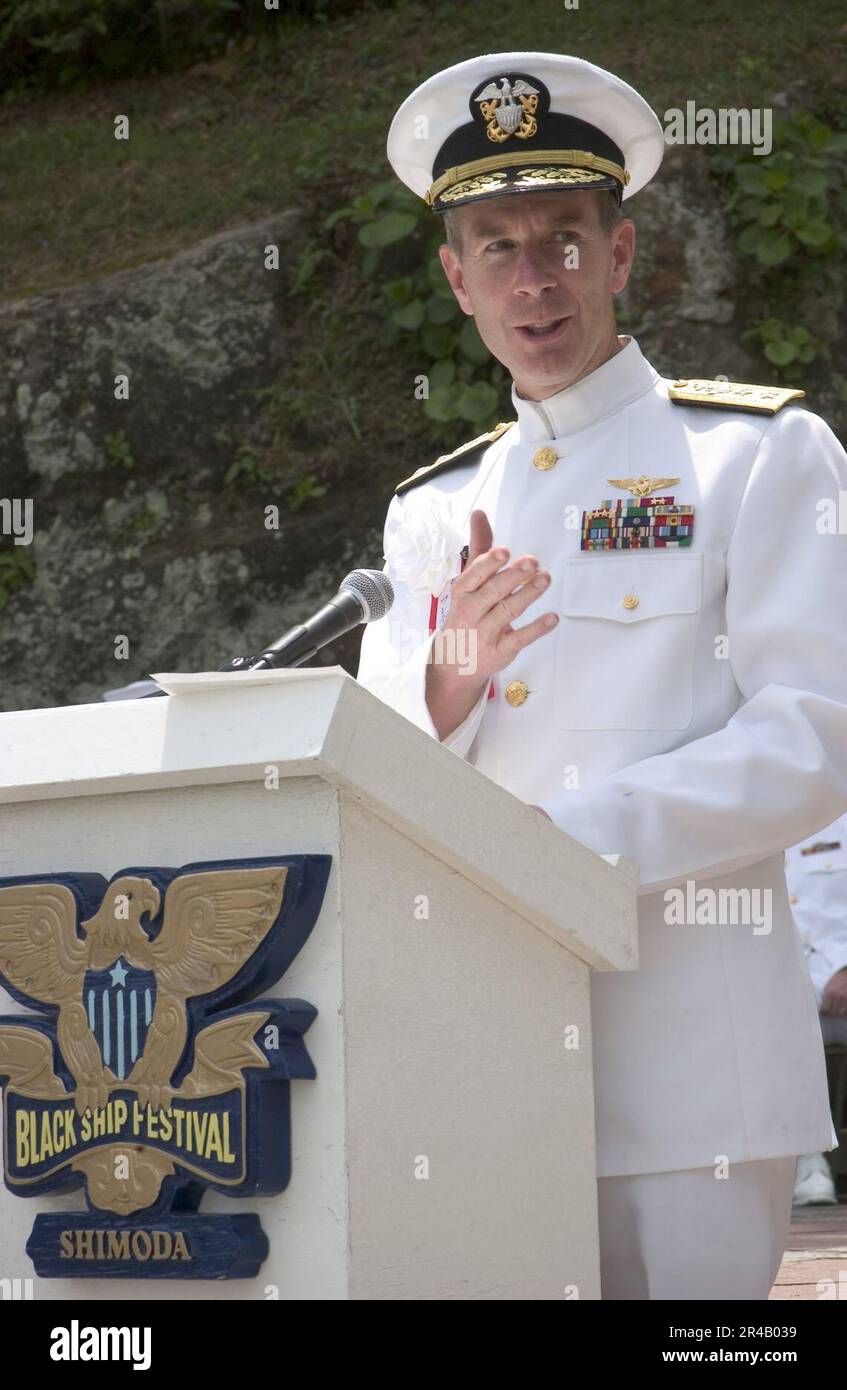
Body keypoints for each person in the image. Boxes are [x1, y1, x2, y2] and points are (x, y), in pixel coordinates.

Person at [356, 50, 847, 1299]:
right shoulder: (432, 512)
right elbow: (368, 782)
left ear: (618, 256)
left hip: (691, 1064)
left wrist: (566, 844)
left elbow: (815, 736)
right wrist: (450, 671)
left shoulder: (755, 457)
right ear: (456, 278)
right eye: (498, 244)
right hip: (487, 1063)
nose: (536, 277)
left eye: (564, 238)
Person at [785, 815, 847, 1205]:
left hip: (839, 974)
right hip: (788, 986)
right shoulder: (752, 822)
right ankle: (807, 1160)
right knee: (773, 1014)